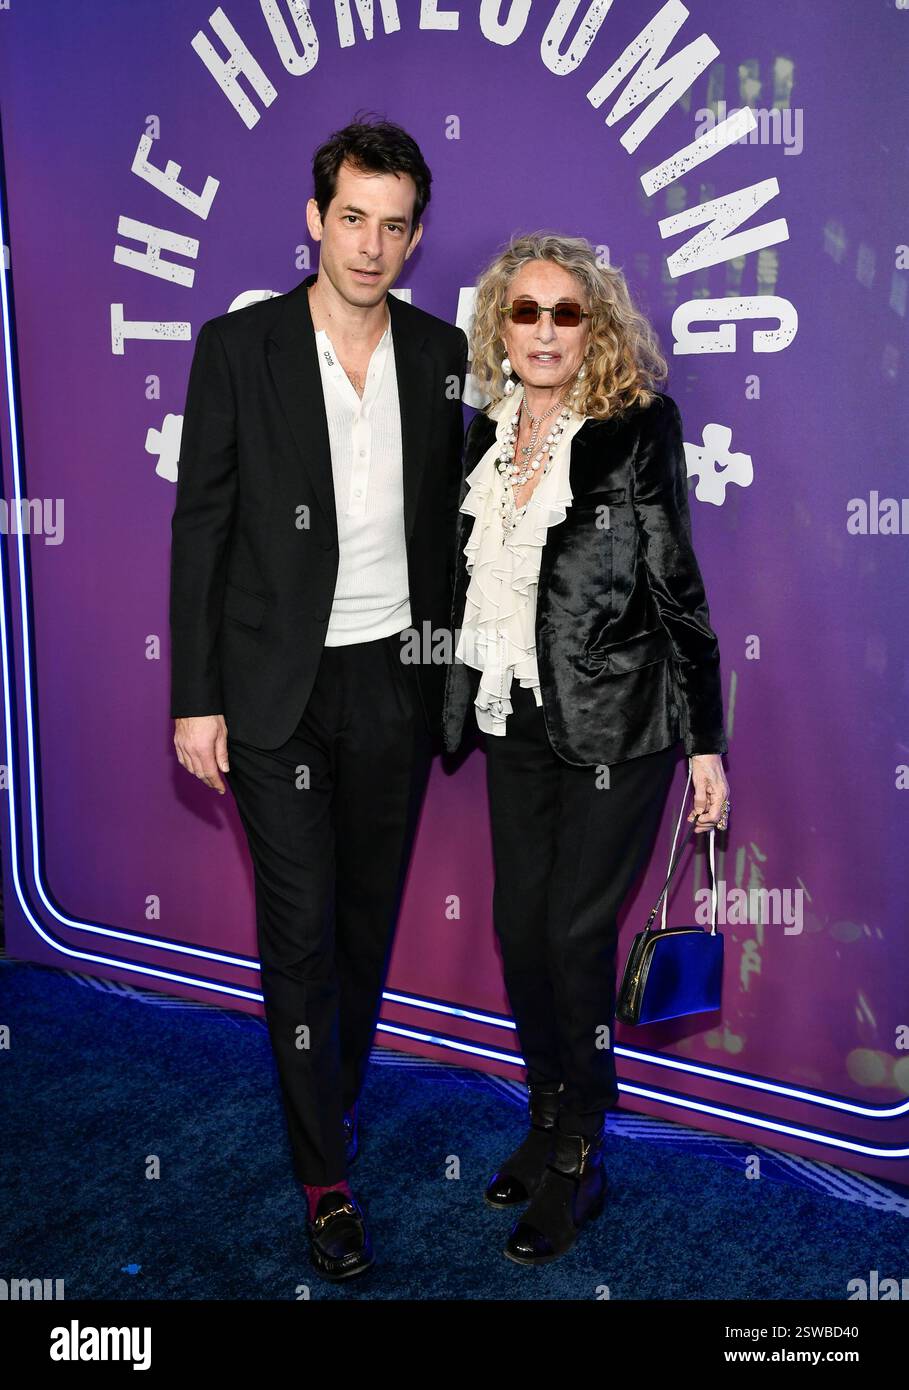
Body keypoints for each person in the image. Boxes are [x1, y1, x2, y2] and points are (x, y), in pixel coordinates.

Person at [169, 117, 468, 1282]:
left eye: (394, 225)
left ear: (416, 237)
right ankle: (324, 1180)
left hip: (393, 678)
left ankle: (326, 1102)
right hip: (272, 692)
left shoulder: (444, 356)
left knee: (359, 927)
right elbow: (202, 530)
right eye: (352, 217)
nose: (371, 244)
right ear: (314, 217)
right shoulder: (238, 348)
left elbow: (473, 511)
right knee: (298, 937)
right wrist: (198, 698)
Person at [443, 232, 730, 1265]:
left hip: (622, 724)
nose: (546, 330)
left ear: (595, 325)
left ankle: (581, 1152)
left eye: (568, 312)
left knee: (573, 935)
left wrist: (706, 742)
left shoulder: (636, 428)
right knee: (522, 930)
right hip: (515, 718)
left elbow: (678, 591)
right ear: (501, 325)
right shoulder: (481, 435)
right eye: (527, 311)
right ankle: (544, 1111)